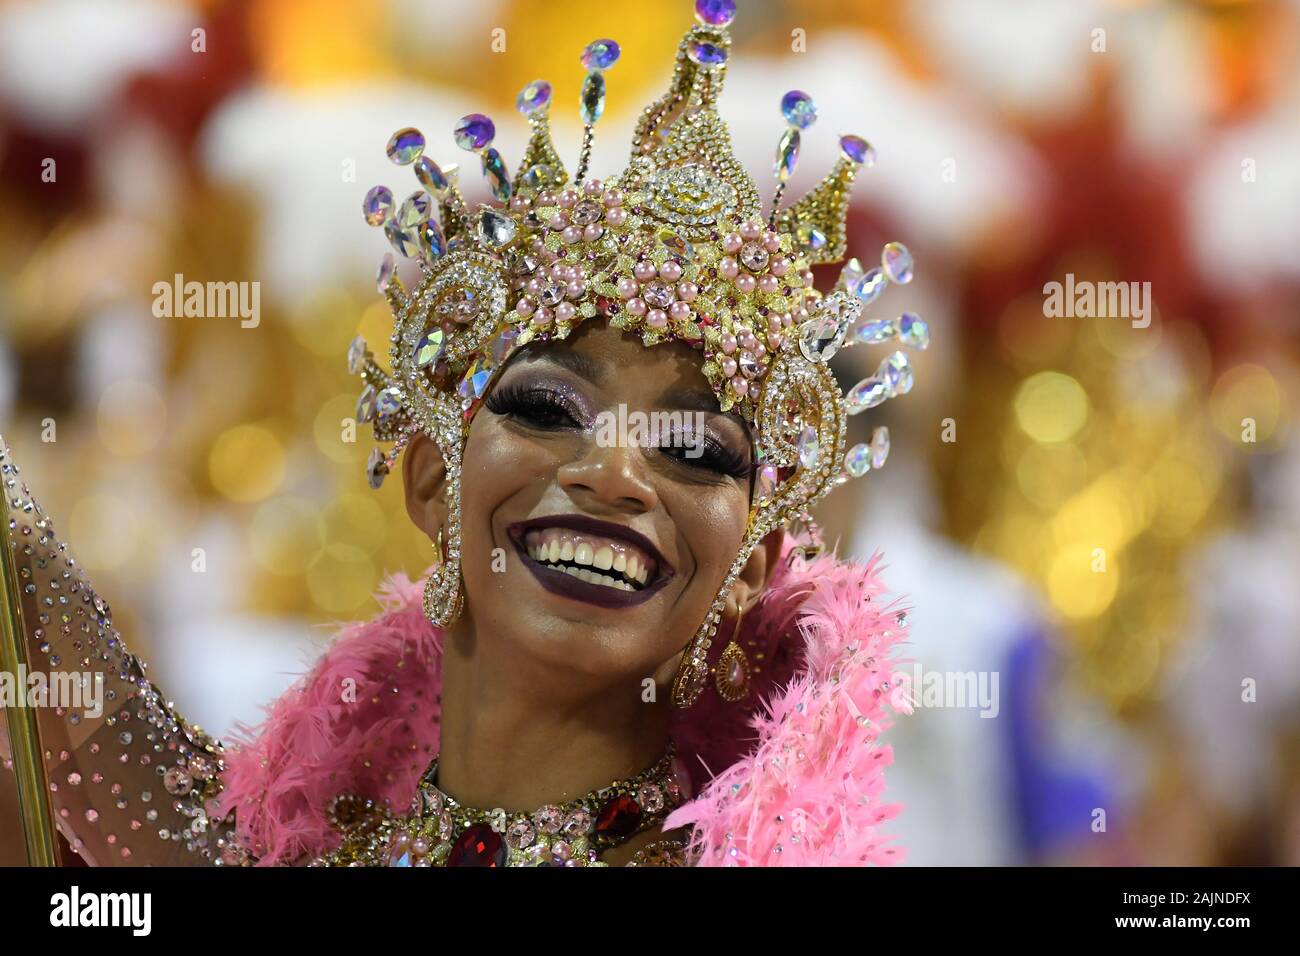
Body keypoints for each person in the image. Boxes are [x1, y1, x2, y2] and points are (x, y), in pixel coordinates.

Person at [0, 0, 928, 867]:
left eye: (693, 450)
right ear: (434, 479)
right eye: (548, 409)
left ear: (753, 570)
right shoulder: (284, 842)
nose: (613, 475)